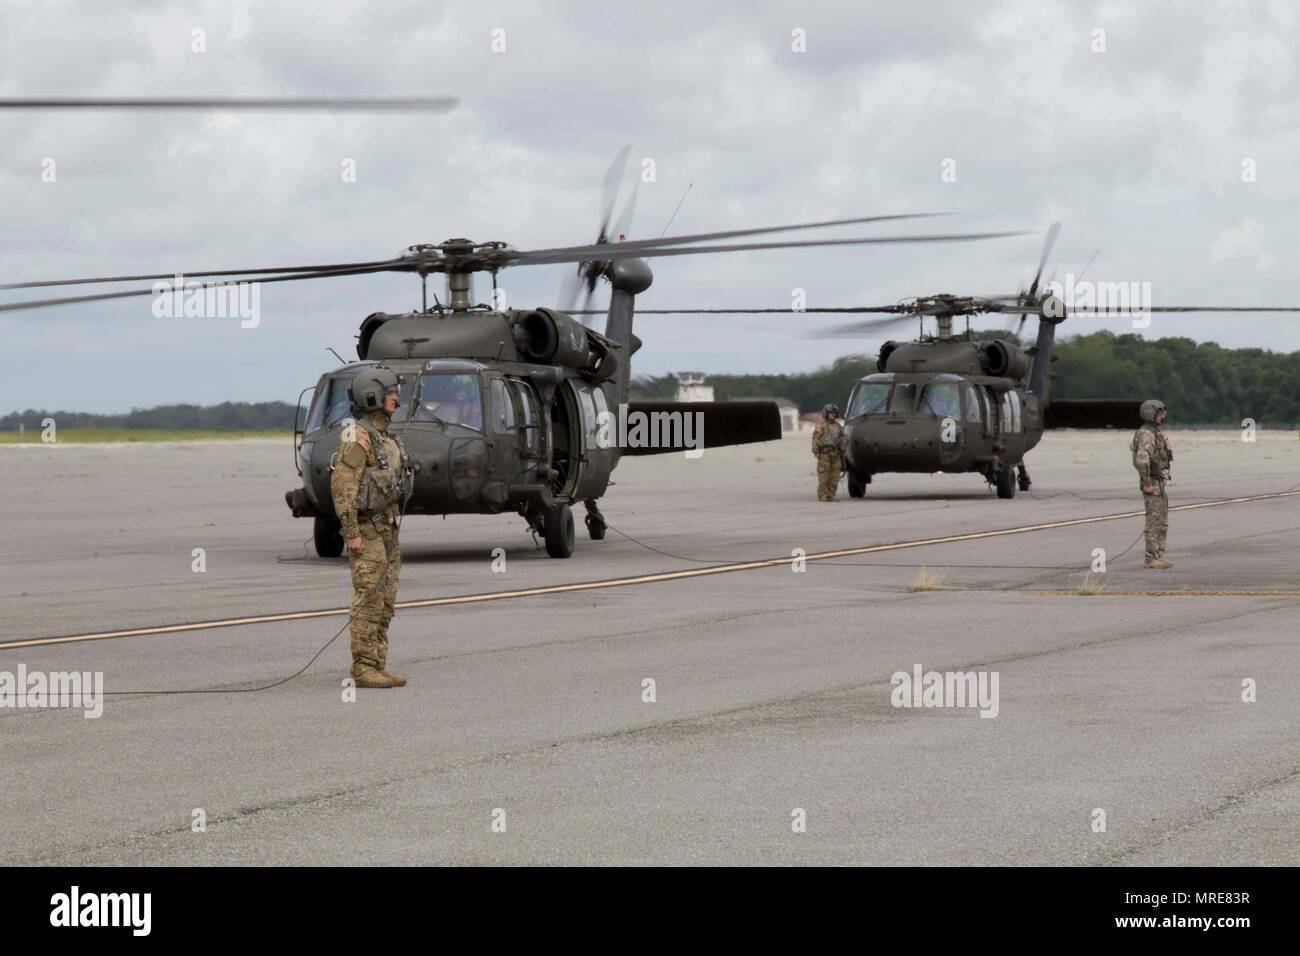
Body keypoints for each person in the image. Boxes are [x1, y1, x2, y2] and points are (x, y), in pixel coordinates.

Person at [331, 366, 410, 688]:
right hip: (367, 529)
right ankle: (362, 668)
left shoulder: (384, 438)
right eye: (391, 392)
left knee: (386, 599)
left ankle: (377, 663)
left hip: (387, 529)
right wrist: (351, 532)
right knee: (368, 599)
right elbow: (343, 486)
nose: (396, 397)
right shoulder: (357, 437)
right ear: (373, 396)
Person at [1132, 399, 1173, 569]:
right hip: (1152, 483)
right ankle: (1151, 557)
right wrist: (1148, 483)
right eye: (1159, 412)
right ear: (1151, 413)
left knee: (1162, 521)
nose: (1162, 415)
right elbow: (1142, 460)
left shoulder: (1155, 432)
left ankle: (1158, 555)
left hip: (1158, 482)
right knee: (1154, 521)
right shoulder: (1146, 434)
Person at [811, 403, 846, 501]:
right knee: (824, 476)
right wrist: (816, 452)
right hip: (825, 454)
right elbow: (815, 439)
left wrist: (843, 449)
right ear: (826, 413)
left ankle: (831, 495)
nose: (833, 415)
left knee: (834, 477)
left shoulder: (838, 426)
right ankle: (822, 495)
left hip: (836, 454)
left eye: (834, 413)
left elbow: (841, 438)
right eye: (831, 413)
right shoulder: (821, 425)